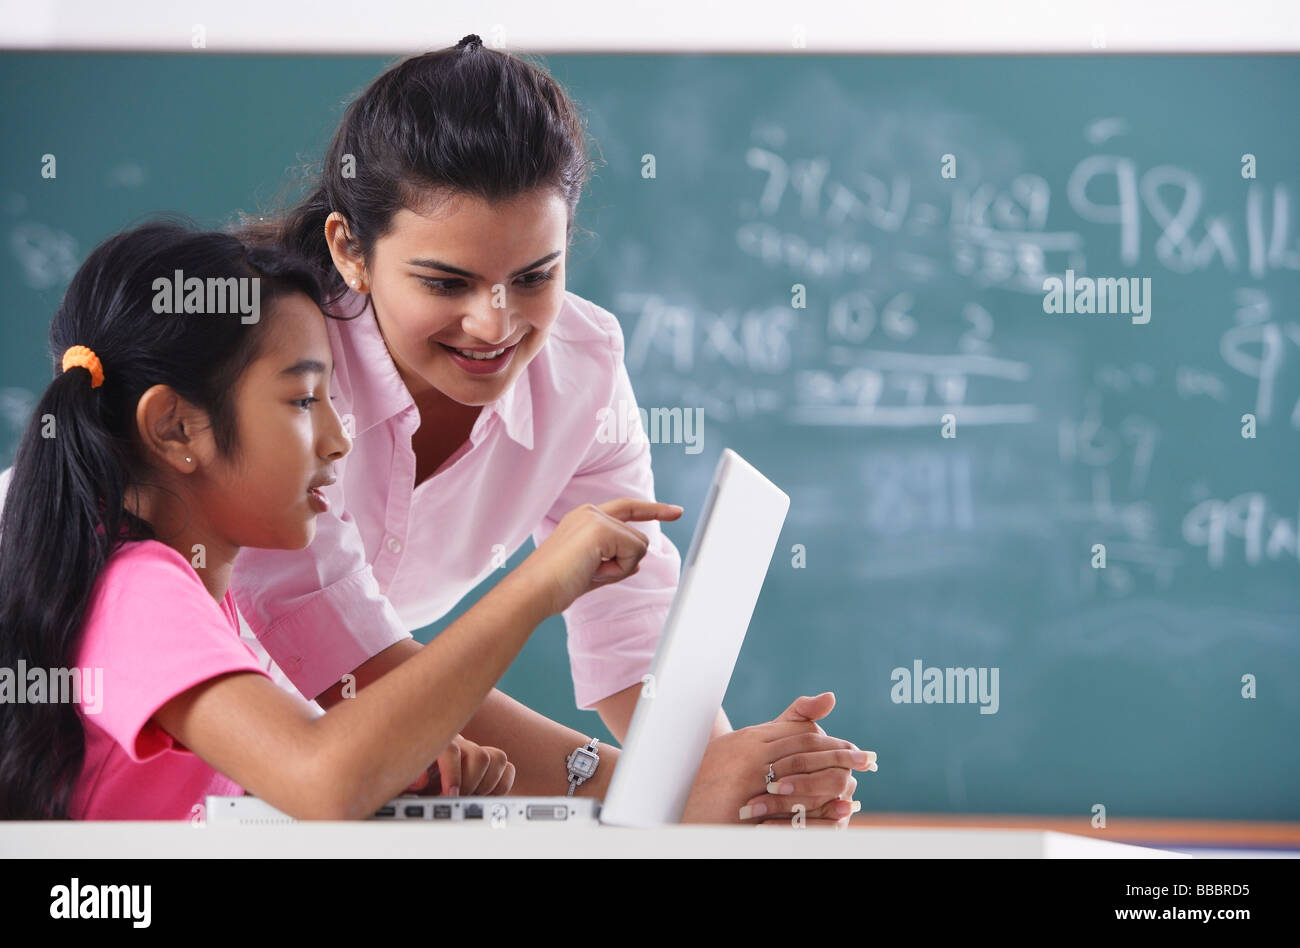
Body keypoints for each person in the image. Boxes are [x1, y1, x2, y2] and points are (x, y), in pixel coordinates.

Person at [0, 221, 867, 822]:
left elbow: (301, 768)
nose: (339, 439)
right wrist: (535, 587)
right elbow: (319, 777)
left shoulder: (186, 592)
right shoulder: (139, 588)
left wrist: (402, 770)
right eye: (305, 400)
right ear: (175, 428)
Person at [234, 35, 875, 823]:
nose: (494, 324)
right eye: (446, 281)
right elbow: (356, 671)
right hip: (140, 748)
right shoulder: (273, 369)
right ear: (350, 250)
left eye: (535, 276)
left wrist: (743, 790)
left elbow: (633, 637)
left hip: (333, 773)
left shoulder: (583, 368)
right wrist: (659, 794)